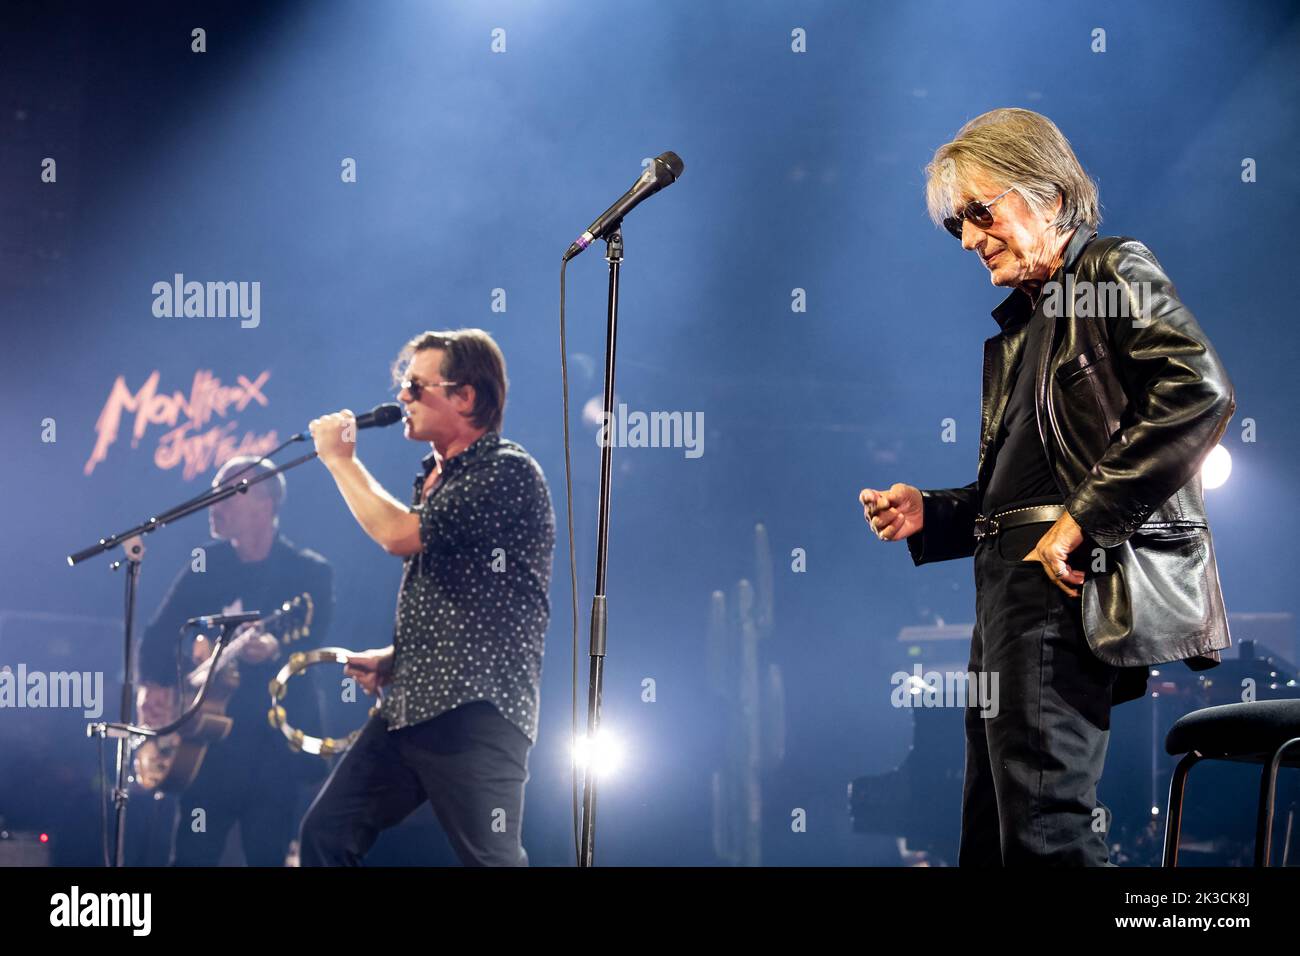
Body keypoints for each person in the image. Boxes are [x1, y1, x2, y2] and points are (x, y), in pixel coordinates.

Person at [860, 108, 1234, 866]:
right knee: (992, 836)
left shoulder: (1108, 270)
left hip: (1059, 591)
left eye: (980, 211)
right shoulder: (1029, 327)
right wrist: (932, 512)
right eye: (956, 224)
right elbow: (1025, 492)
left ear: (1052, 197)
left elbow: (1198, 390)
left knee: (1045, 832)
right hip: (1006, 591)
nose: (969, 239)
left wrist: (1084, 523)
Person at [299, 328, 555, 866]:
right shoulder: (434, 477)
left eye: (417, 386)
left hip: (474, 708)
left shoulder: (504, 469)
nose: (403, 398)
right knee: (327, 832)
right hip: (411, 706)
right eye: (404, 385)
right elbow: (466, 600)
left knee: (493, 861)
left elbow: (397, 536)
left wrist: (341, 461)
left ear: (466, 396)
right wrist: (398, 658)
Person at [137, 456, 334, 866]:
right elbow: (159, 633)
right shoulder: (206, 566)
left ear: (266, 503)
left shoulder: (308, 571)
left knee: (266, 854)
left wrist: (275, 650)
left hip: (271, 749)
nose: (216, 507)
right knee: (191, 857)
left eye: (227, 496)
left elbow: (314, 639)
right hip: (205, 749)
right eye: (214, 497)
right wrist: (152, 687)